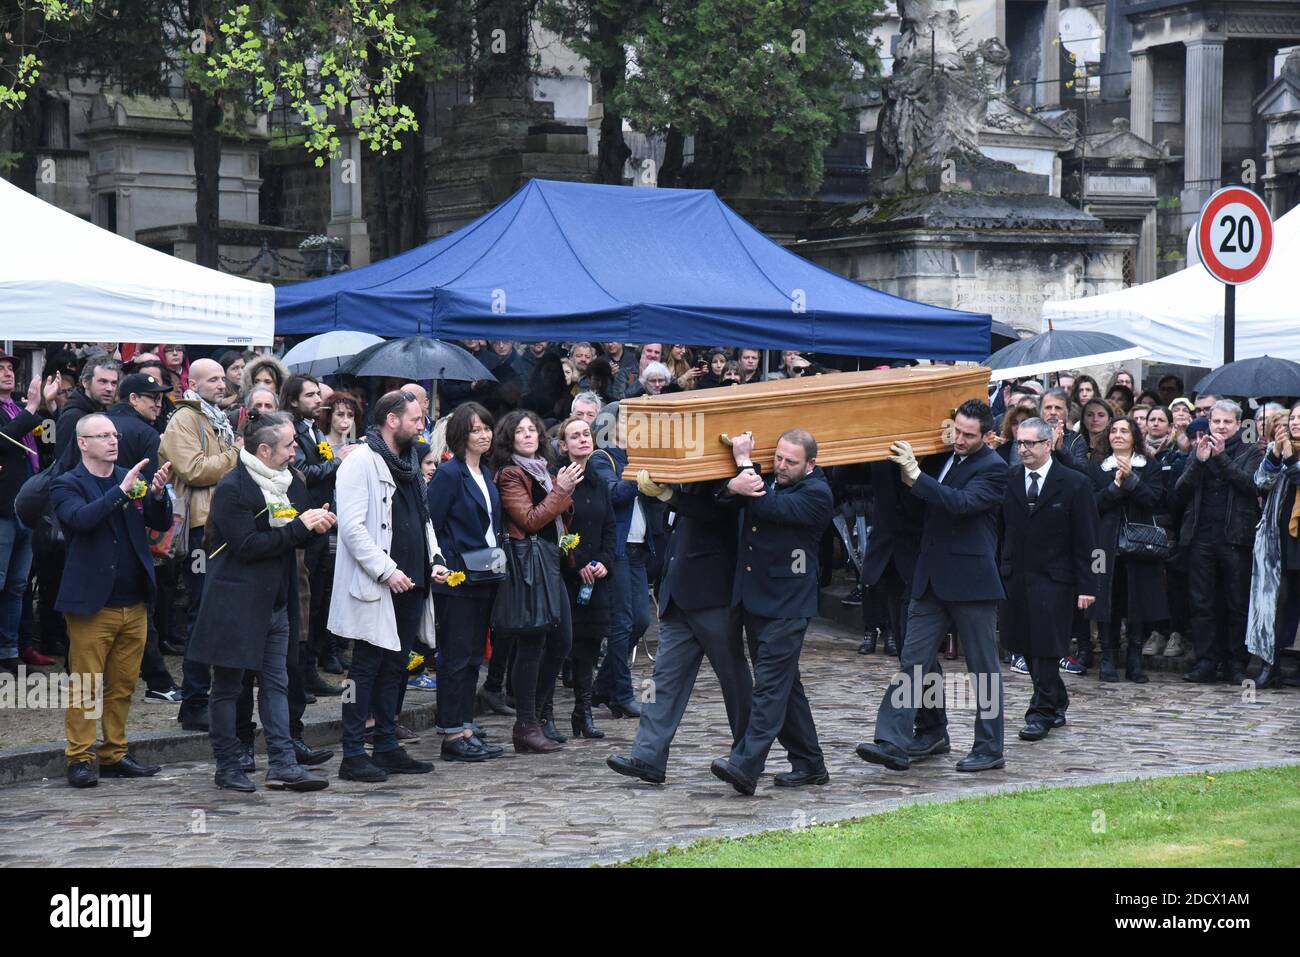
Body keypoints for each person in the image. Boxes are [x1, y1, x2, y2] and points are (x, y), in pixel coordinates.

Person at [184, 412, 334, 792]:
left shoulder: (291, 483)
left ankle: (283, 763)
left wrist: (315, 528)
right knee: (228, 688)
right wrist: (300, 528)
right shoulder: (233, 487)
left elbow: (294, 540)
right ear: (265, 449)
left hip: (278, 603)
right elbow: (247, 545)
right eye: (288, 445)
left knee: (277, 685)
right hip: (236, 603)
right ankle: (229, 764)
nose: (295, 450)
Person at [857, 399, 1008, 774]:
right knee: (913, 662)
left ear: (987, 436)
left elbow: (960, 503)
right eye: (956, 430)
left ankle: (990, 747)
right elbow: (915, 497)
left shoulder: (994, 468)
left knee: (983, 669)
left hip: (972, 582)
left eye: (968, 435)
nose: (959, 439)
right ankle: (893, 740)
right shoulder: (944, 458)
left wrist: (916, 474)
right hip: (930, 578)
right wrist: (915, 465)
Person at [606, 465, 753, 785]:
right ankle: (648, 756)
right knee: (662, 681)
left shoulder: (725, 474)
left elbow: (715, 509)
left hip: (713, 595)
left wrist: (669, 494)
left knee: (734, 681)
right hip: (678, 594)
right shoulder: (687, 472)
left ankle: (748, 756)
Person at [709, 429, 834, 796]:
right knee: (786, 688)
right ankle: (810, 763)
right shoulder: (770, 480)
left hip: (788, 606)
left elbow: (768, 507)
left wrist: (744, 462)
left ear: (810, 464)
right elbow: (729, 499)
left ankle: (747, 765)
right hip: (757, 600)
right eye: (777, 457)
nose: (780, 466)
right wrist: (737, 481)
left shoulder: (817, 494)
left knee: (768, 688)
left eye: (790, 462)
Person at [330, 391, 447, 781]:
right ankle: (351, 753)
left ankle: (386, 745)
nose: (422, 425)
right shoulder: (359, 462)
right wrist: (385, 570)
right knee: (364, 668)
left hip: (412, 580)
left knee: (396, 667)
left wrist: (435, 558)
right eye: (415, 419)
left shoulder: (411, 460)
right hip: (378, 582)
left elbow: (423, 516)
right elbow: (351, 527)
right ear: (392, 420)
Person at [51, 415, 173, 787]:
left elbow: (160, 523)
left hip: (134, 600)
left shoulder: (129, 475)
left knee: (123, 684)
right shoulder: (67, 482)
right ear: (83, 442)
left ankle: (114, 752)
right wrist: (121, 491)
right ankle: (80, 757)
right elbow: (80, 520)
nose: (112, 440)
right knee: (86, 684)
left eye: (114, 435)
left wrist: (155, 495)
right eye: (102, 435)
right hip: (91, 603)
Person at [1000, 417, 1099, 740]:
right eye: (1020, 443)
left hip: (1056, 579)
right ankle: (1056, 698)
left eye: (1030, 443)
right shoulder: (1010, 479)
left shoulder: (1073, 483)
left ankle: (1039, 712)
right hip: (1017, 577)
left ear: (1047, 444)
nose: (1024, 449)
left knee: (1045, 645)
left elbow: (1087, 538)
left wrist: (1088, 585)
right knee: (1023, 645)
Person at [159, 357, 241, 731]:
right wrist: (236, 453)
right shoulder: (185, 419)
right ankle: (193, 701)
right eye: (213, 380)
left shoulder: (213, 417)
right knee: (200, 612)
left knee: (216, 612)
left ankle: (207, 697)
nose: (222, 385)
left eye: (223, 378)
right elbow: (192, 469)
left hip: (218, 525)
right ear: (193, 383)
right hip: (198, 529)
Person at [493, 409, 578, 753]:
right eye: (520, 431)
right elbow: (529, 520)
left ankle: (538, 715)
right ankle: (526, 724)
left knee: (562, 641)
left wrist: (560, 491)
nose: (528, 435)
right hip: (529, 565)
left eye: (532, 430)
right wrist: (561, 490)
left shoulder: (544, 469)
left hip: (550, 561)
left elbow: (558, 514)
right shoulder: (511, 474)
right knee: (533, 642)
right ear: (509, 439)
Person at [427, 402, 507, 760]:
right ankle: (451, 733)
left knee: (475, 655)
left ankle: (466, 726)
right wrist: (450, 560)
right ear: (462, 435)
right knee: (456, 656)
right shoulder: (450, 473)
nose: (484, 434)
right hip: (459, 577)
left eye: (487, 428)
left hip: (485, 573)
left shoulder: (484, 472)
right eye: (476, 429)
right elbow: (433, 522)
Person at [104, 372, 181, 703]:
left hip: (93, 524)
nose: (158, 402)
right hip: (130, 529)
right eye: (151, 397)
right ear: (132, 399)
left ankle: (89, 680)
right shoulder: (146, 433)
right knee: (138, 608)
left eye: (161, 396)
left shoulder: (95, 424)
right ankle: (158, 681)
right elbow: (153, 492)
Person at [1177, 399, 1263, 685]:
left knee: (1235, 602)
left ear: (1239, 425)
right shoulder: (1198, 447)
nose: (1221, 427)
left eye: (1227, 422)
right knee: (1202, 602)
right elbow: (1179, 492)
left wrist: (1221, 458)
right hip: (1201, 536)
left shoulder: (1251, 451)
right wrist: (1199, 463)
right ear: (1209, 422)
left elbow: (1252, 485)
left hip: (1235, 538)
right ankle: (1207, 661)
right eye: (1216, 422)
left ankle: (1235, 663)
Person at [588, 402, 665, 719]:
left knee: (641, 621)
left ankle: (602, 688)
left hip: (636, 550)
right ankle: (621, 693)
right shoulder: (600, 458)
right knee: (621, 623)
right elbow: (615, 494)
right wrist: (640, 475)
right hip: (615, 550)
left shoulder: (638, 458)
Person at [283, 374, 354, 685]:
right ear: (295, 400)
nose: (317, 400)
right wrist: (337, 461)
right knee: (304, 600)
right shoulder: (292, 430)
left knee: (320, 598)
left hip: (322, 522)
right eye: (310, 395)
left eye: (317, 394)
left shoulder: (313, 430)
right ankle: (300, 673)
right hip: (304, 521)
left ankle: (311, 669)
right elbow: (300, 472)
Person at [1086, 416, 1167, 683]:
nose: (1117, 435)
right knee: (1107, 599)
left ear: (1134, 436)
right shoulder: (1096, 467)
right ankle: (1108, 657)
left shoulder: (1150, 465)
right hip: (1104, 545)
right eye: (1113, 431)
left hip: (1140, 543)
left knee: (1137, 601)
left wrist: (1131, 480)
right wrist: (1116, 486)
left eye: (1124, 431)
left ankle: (1135, 659)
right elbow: (1093, 504)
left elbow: (1153, 498)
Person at [555, 416, 618, 739]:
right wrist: (575, 562)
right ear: (564, 446)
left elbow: (609, 526)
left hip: (596, 577)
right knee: (563, 642)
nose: (582, 440)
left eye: (585, 434)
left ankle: (583, 710)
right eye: (574, 436)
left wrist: (604, 562)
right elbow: (557, 527)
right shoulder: (560, 478)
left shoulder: (597, 479)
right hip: (567, 576)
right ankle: (543, 715)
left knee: (590, 645)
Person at [0, 361, 60, 675]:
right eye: (0, 368)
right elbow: (3, 440)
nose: (8, 372)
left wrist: (48, 408)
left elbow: (48, 444)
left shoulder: (19, 407)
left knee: (17, 585)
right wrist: (33, 407)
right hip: (2, 508)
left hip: (25, 509)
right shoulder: (20, 410)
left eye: (10, 367)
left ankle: (11, 650)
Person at [1247, 403, 1300, 688]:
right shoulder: (1277, 449)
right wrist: (1277, 455)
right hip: (1280, 537)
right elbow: (1260, 483)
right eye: (1293, 417)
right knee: (1277, 603)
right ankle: (1271, 664)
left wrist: (1292, 461)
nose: (1296, 423)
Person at [55, 354, 122, 467]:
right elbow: (64, 464)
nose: (110, 388)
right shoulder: (72, 417)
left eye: (113, 383)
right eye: (103, 381)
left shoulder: (105, 412)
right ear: (85, 382)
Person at [1040, 387, 1090, 472]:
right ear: (1041, 411)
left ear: (1068, 412)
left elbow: (1083, 470)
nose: (1053, 412)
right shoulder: (1030, 436)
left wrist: (1061, 449)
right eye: (1048, 407)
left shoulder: (1077, 439)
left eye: (1058, 408)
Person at [1079, 398, 1114, 462]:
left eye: (1101, 415)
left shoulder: (1113, 447)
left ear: (1109, 420)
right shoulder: (1076, 444)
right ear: (1083, 419)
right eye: (1090, 415)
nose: (1095, 419)